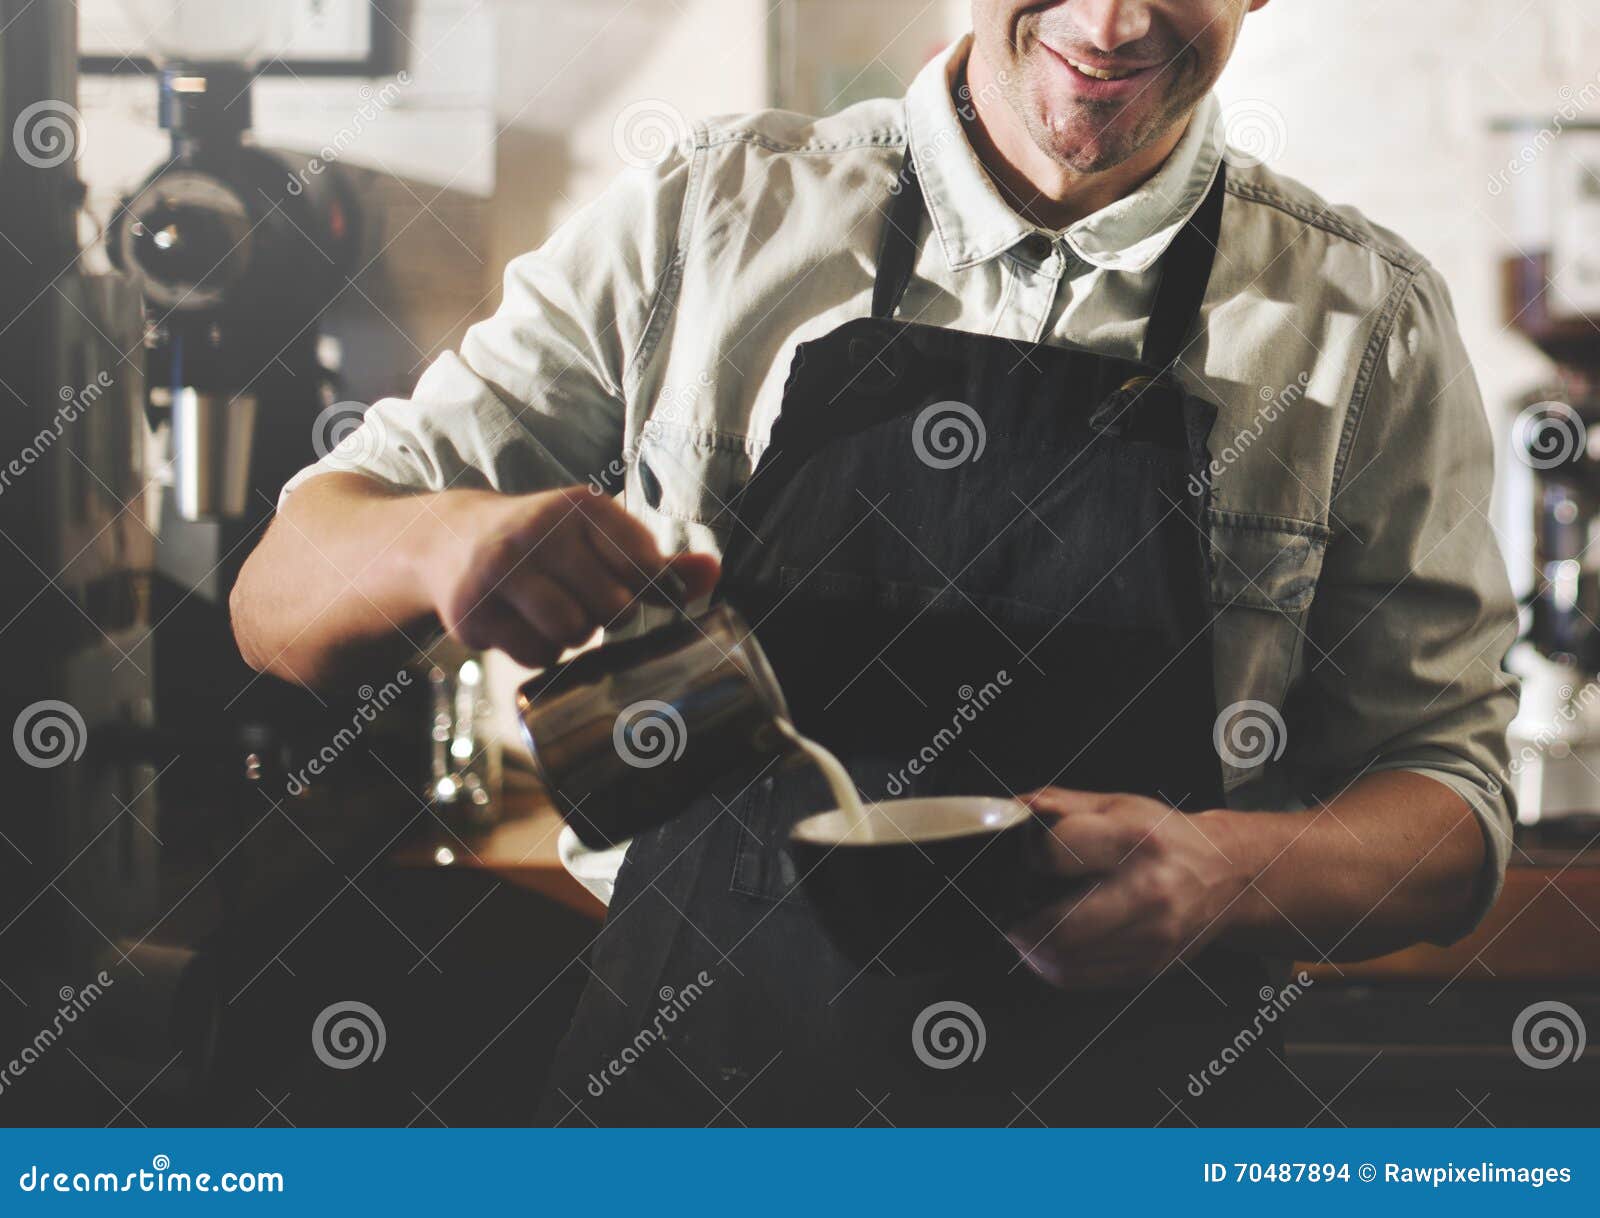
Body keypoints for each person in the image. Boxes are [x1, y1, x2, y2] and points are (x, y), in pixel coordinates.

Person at [232, 0, 1519, 1125]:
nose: (1115, 21)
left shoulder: (1365, 322)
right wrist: (443, 538)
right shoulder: (707, 218)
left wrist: (1233, 876)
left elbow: (1451, 807)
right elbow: (277, 601)